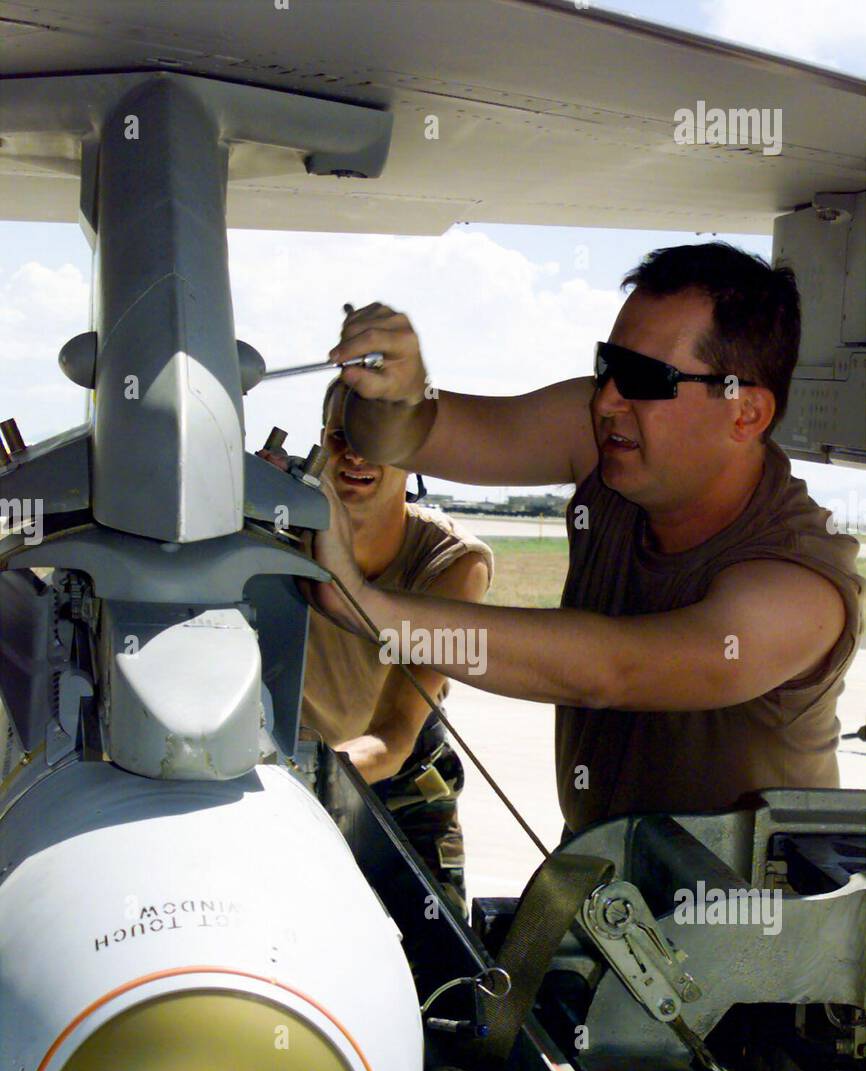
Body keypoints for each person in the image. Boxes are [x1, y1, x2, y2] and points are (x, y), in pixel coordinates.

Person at [312, 243, 864, 837]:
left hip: (748, 918)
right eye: (608, 366)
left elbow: (613, 670)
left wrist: (370, 608)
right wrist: (396, 394)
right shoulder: (610, 438)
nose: (605, 400)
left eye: (644, 379)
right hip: (603, 882)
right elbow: (412, 436)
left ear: (746, 413)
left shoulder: (800, 585)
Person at [260, 378, 491, 913]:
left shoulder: (450, 562)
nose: (355, 453)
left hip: (402, 783)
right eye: (341, 436)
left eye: (378, 437)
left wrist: (292, 776)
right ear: (320, 440)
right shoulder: (273, 531)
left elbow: (392, 736)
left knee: (438, 964)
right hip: (291, 765)